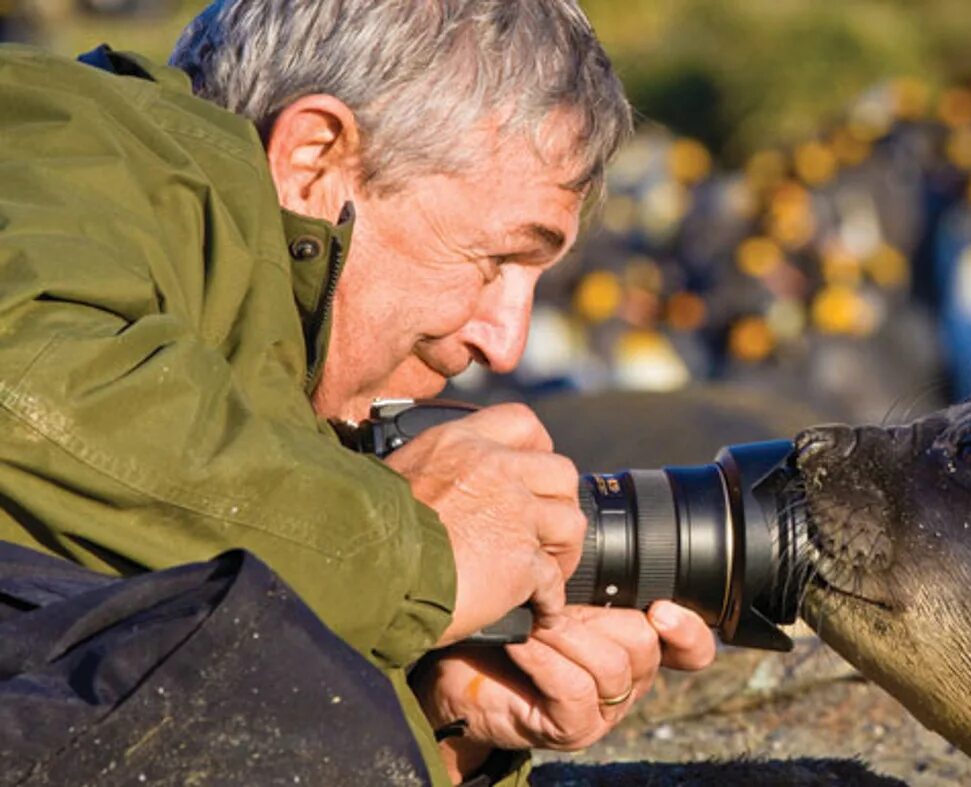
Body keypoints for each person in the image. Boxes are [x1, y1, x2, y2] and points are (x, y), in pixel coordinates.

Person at [0, 1, 716, 784]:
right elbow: (25, 380)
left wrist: (433, 709)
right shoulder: (53, 135)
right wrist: (423, 551)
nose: (504, 340)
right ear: (313, 161)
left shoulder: (245, 363)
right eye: (495, 260)